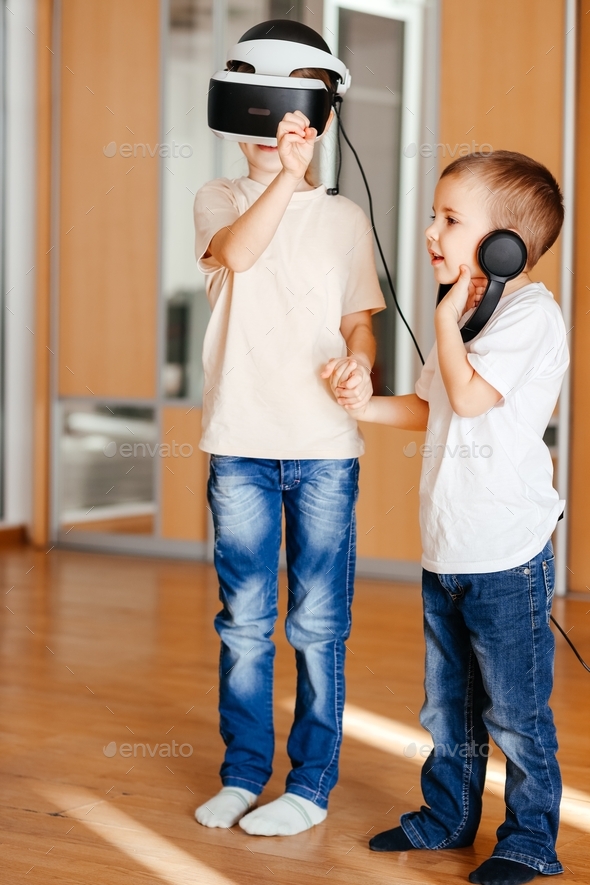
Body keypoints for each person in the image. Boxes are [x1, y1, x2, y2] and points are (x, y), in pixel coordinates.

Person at [329, 150, 568, 885]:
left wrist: (441, 317)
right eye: (435, 214)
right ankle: (448, 815)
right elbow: (434, 405)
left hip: (505, 553)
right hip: (448, 550)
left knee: (516, 715)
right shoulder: (468, 312)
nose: (431, 229)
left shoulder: (530, 313)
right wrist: (361, 404)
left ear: (504, 248)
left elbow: (469, 398)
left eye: (451, 219)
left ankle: (530, 838)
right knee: (448, 704)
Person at [192, 56, 386, 835]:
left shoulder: (344, 218)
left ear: (322, 118)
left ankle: (309, 785)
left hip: (323, 448)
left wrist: (361, 365)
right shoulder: (219, 198)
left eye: (295, 112)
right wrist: (285, 175)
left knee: (315, 622)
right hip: (239, 440)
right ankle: (243, 772)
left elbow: (357, 320)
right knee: (242, 621)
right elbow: (237, 255)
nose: (276, 129)